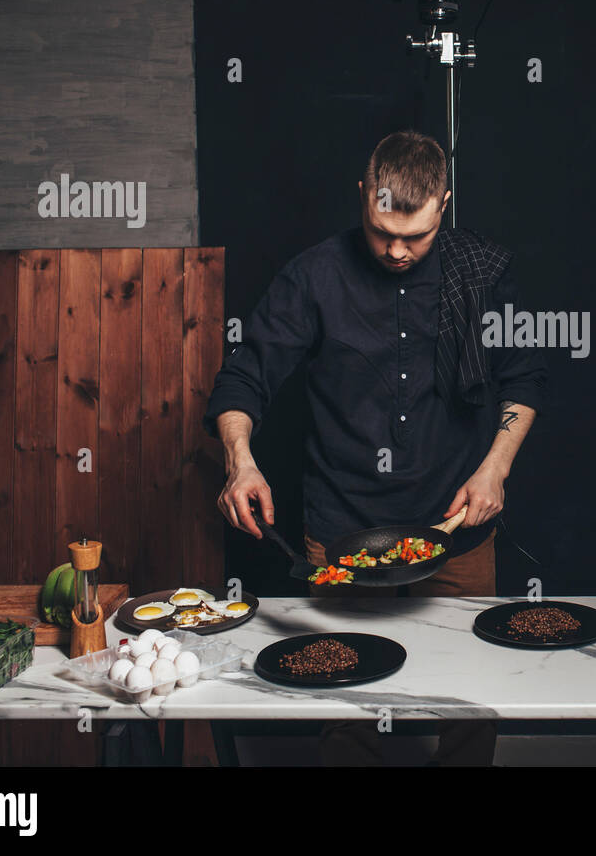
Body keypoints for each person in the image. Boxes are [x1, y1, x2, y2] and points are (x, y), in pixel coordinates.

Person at [202, 129, 548, 765]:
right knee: (344, 704)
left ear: (444, 203)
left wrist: (495, 470)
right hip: (341, 530)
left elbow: (522, 380)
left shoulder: (482, 274)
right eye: (380, 229)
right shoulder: (312, 277)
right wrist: (240, 461)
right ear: (363, 195)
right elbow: (244, 378)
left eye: (413, 237)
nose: (394, 250)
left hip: (455, 527)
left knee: (470, 700)